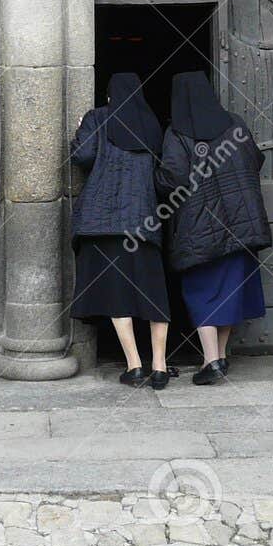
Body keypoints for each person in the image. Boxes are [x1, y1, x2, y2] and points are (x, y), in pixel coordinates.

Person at [158, 71, 271, 385]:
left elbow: (173, 177)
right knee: (228, 292)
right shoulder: (235, 124)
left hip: (199, 227)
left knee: (201, 293)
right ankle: (218, 356)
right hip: (239, 222)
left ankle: (211, 360)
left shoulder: (177, 133)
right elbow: (256, 159)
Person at [70, 72, 174, 389]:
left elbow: (83, 156)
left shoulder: (97, 118)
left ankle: (134, 366)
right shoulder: (151, 126)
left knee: (117, 295)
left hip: (101, 224)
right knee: (154, 293)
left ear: (110, 95)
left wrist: (79, 132)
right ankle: (160, 366)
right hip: (142, 222)